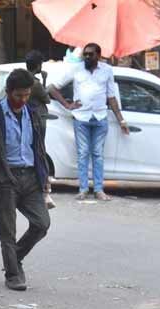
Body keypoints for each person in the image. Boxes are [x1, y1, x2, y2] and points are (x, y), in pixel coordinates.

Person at [0, 69, 50, 292]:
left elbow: (39, 148)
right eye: (18, 95)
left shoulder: (33, 113)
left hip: (30, 178)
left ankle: (14, 257)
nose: (22, 100)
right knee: (7, 231)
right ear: (8, 92)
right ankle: (13, 274)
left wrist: (44, 177)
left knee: (41, 224)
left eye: (27, 95)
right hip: (4, 178)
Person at [49, 42, 130, 201]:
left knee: (98, 154)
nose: (87, 57)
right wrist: (67, 105)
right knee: (83, 153)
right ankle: (83, 189)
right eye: (85, 54)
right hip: (81, 118)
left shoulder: (107, 71)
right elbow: (52, 88)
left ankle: (99, 190)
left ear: (98, 56)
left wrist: (121, 120)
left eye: (90, 54)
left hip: (100, 117)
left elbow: (111, 97)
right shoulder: (76, 69)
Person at [24, 50, 55, 209]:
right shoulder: (34, 82)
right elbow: (46, 99)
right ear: (38, 65)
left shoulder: (23, 79)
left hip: (29, 120)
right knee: (40, 152)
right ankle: (44, 189)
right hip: (38, 120)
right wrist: (44, 80)